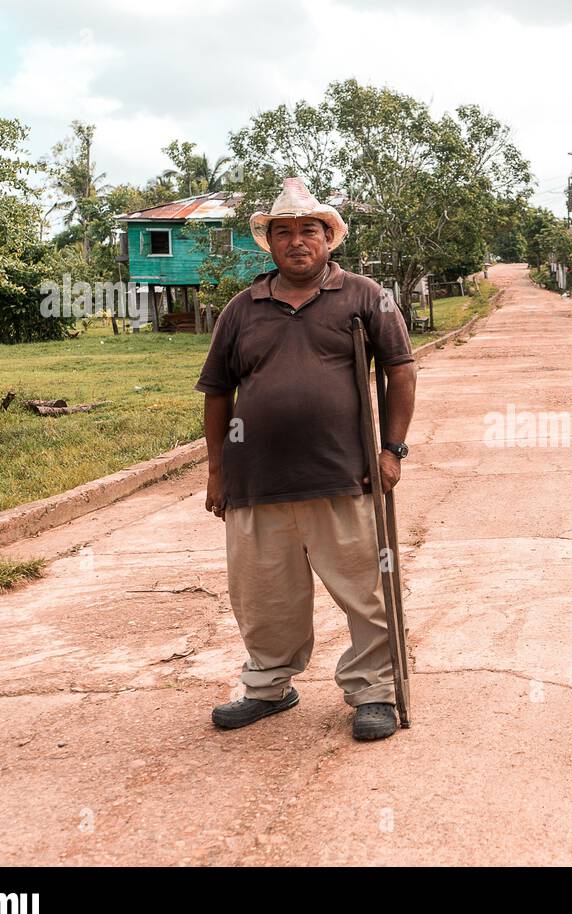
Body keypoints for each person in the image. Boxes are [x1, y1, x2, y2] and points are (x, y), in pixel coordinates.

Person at [195, 178, 416, 741]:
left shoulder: (366, 296)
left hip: (344, 475)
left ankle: (374, 691)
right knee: (263, 593)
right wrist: (218, 471)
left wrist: (391, 450)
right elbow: (218, 391)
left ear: (329, 237)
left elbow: (400, 370)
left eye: (308, 230)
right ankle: (269, 686)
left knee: (366, 589)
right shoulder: (241, 309)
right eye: (283, 232)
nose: (296, 241)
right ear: (268, 242)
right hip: (256, 481)